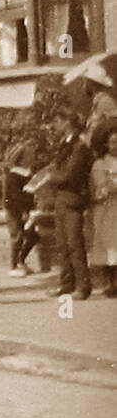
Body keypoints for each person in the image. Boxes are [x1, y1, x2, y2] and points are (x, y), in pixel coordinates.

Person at [48, 113, 94, 299]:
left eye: (57, 121)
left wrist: (51, 177)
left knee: (75, 243)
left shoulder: (79, 146)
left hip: (73, 199)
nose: (55, 125)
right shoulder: (65, 144)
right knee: (62, 245)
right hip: (61, 199)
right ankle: (66, 284)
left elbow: (70, 175)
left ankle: (83, 287)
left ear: (68, 122)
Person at [87, 124, 117, 297]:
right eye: (112, 142)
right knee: (107, 244)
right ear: (107, 144)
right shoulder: (100, 164)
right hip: (106, 210)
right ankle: (108, 282)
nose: (116, 145)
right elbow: (101, 188)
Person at [3, 140, 38, 277]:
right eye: (29, 155)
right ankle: (13, 265)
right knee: (17, 236)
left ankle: (21, 260)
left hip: (26, 210)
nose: (32, 158)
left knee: (32, 236)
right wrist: (23, 211)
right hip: (14, 210)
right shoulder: (13, 175)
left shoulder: (28, 174)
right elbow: (16, 196)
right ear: (21, 158)